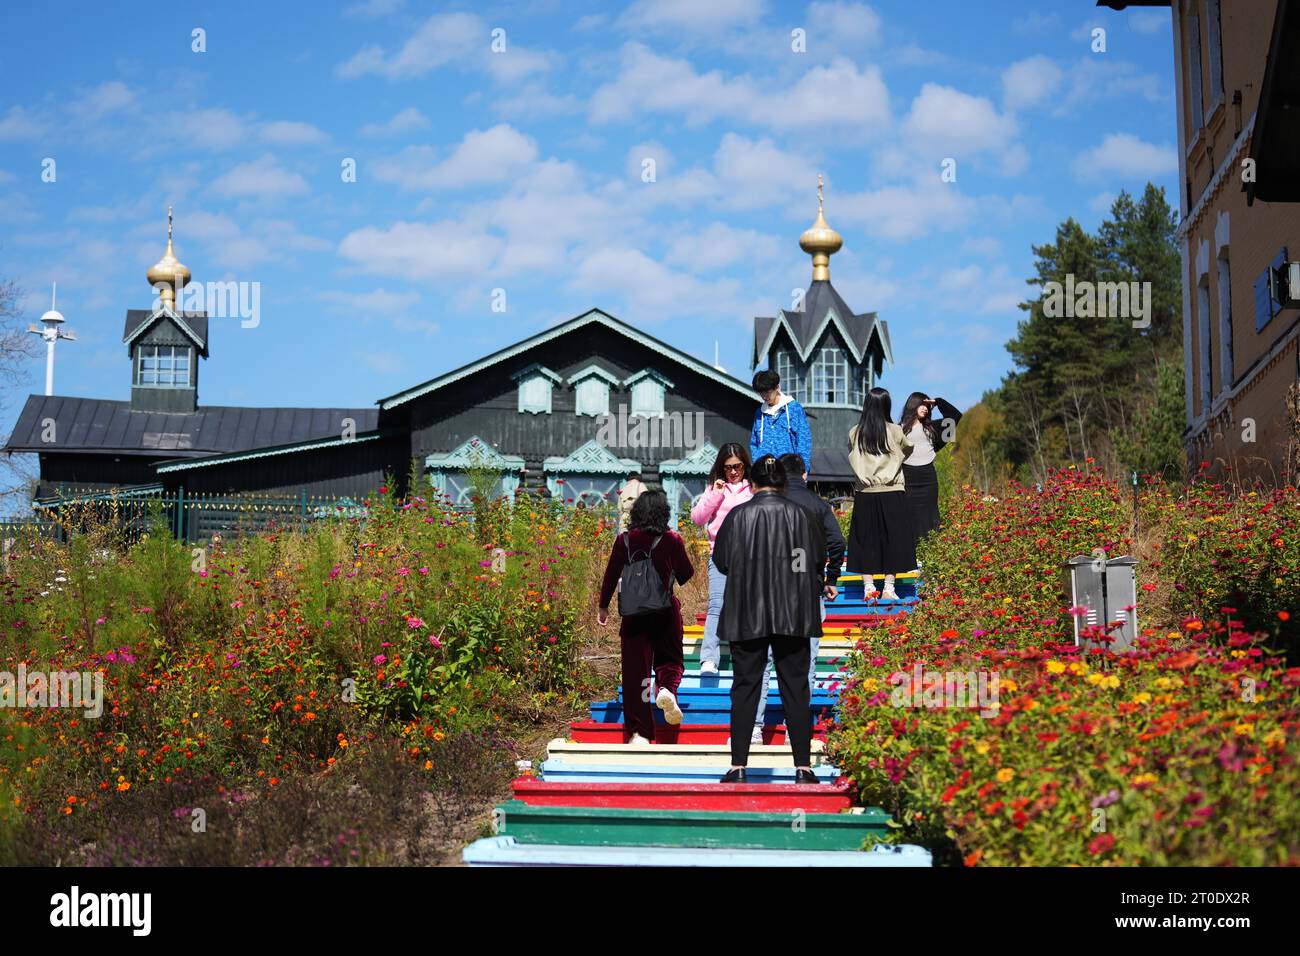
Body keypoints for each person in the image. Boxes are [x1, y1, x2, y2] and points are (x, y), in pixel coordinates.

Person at [712, 455, 824, 784]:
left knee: (745, 686)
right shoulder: (803, 516)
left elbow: (721, 561)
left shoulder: (738, 515)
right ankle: (803, 768)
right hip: (795, 613)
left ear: (754, 483)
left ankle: (739, 765)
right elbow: (815, 561)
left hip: (747, 611)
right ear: (783, 483)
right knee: (796, 688)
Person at [745, 453, 846, 741]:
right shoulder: (818, 505)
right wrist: (831, 578)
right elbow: (837, 542)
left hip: (766, 592)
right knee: (804, 664)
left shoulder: (766, 503)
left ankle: (753, 728)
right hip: (806, 593)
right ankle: (795, 728)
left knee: (762, 662)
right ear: (804, 475)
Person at [597, 490, 695, 744]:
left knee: (636, 676)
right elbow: (686, 574)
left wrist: (603, 606)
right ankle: (666, 689)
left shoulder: (624, 540)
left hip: (633, 616)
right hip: (665, 613)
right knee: (670, 661)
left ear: (637, 512)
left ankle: (640, 732)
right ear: (664, 513)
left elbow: (610, 575)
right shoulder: (671, 540)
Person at [689, 444, 753, 676]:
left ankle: (747, 658)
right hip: (720, 554)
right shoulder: (715, 488)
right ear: (721, 468)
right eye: (728, 468)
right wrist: (715, 494)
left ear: (745, 465)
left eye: (738, 466)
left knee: (748, 606)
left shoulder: (753, 488)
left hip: (749, 556)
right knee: (716, 605)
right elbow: (698, 518)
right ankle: (708, 659)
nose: (734, 472)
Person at [847, 387, 915, 602]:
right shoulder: (895, 431)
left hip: (865, 492)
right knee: (893, 539)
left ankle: (869, 588)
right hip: (892, 490)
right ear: (887, 405)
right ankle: (888, 587)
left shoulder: (855, 432)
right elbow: (908, 449)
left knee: (865, 539)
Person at [898, 393, 962, 560]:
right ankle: (909, 558)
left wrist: (938, 401)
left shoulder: (933, 427)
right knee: (908, 518)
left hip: (928, 478)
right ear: (912, 404)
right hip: (906, 477)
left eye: (927, 405)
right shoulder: (898, 428)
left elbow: (955, 416)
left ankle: (930, 557)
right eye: (921, 403)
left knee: (929, 517)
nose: (925, 407)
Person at [749, 369, 813, 477]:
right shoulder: (759, 413)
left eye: (767, 392)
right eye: (761, 393)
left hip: (790, 471)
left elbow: (803, 440)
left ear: (777, 387)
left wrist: (804, 468)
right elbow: (754, 443)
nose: (764, 396)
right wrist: (757, 465)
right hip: (765, 473)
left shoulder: (794, 409)